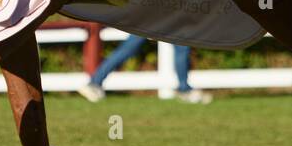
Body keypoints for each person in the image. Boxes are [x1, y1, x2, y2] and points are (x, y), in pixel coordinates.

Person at [78, 34, 211, 104]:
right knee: (182, 46)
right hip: (163, 9)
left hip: (151, 8)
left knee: (128, 48)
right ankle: (184, 90)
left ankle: (95, 82)